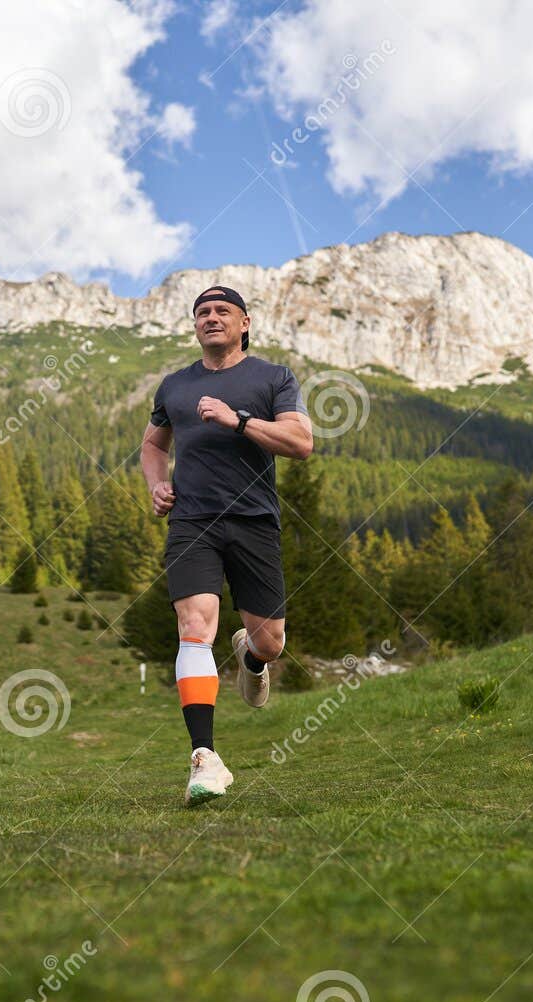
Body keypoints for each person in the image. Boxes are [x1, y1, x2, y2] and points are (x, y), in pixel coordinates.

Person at [140, 285, 314, 805]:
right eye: (202, 313)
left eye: (222, 311)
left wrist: (237, 420)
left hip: (254, 522)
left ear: (245, 323)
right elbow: (153, 444)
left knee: (271, 641)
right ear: (194, 326)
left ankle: (252, 657)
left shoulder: (273, 378)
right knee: (194, 629)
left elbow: (301, 443)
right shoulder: (174, 385)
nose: (211, 318)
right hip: (192, 521)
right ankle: (205, 758)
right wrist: (155, 483)